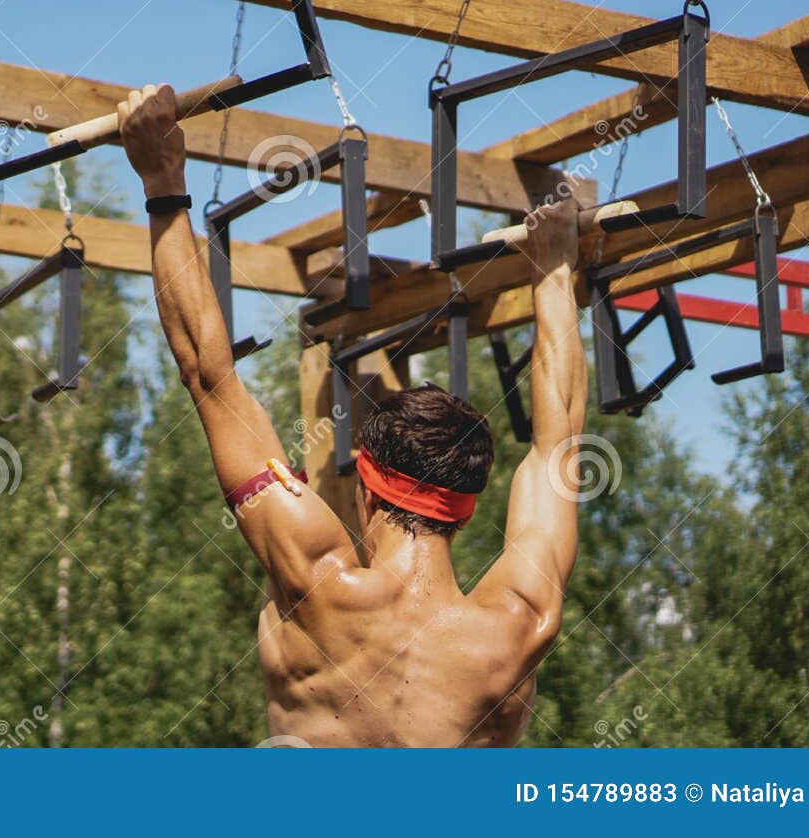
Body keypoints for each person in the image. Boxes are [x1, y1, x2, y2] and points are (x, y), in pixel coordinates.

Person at [118, 84, 587, 747]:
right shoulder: (517, 624)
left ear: (366, 489)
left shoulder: (317, 582)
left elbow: (207, 375)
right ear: (466, 504)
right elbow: (557, 439)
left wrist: (161, 177)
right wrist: (556, 268)